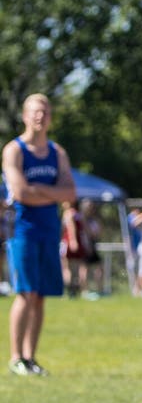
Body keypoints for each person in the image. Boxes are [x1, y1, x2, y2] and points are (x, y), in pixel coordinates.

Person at [2, 93, 76, 375]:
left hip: (49, 232)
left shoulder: (58, 153)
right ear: (24, 115)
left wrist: (38, 192)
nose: (40, 116)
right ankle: (15, 357)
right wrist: (51, 193)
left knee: (41, 295)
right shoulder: (15, 150)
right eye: (35, 111)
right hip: (23, 233)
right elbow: (19, 193)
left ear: (50, 117)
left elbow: (70, 193)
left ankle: (31, 358)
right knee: (25, 293)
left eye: (45, 111)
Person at [60, 199, 88, 297]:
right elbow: (85, 229)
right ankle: (79, 289)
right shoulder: (80, 214)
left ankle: (69, 289)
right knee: (78, 267)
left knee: (67, 268)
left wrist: (72, 240)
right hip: (79, 242)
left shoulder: (68, 213)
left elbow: (70, 227)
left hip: (69, 242)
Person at [79, 199, 103, 299]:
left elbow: (99, 232)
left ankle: (99, 290)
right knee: (84, 268)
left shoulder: (93, 219)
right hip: (86, 246)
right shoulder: (82, 219)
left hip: (92, 245)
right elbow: (88, 233)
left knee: (98, 268)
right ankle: (84, 291)